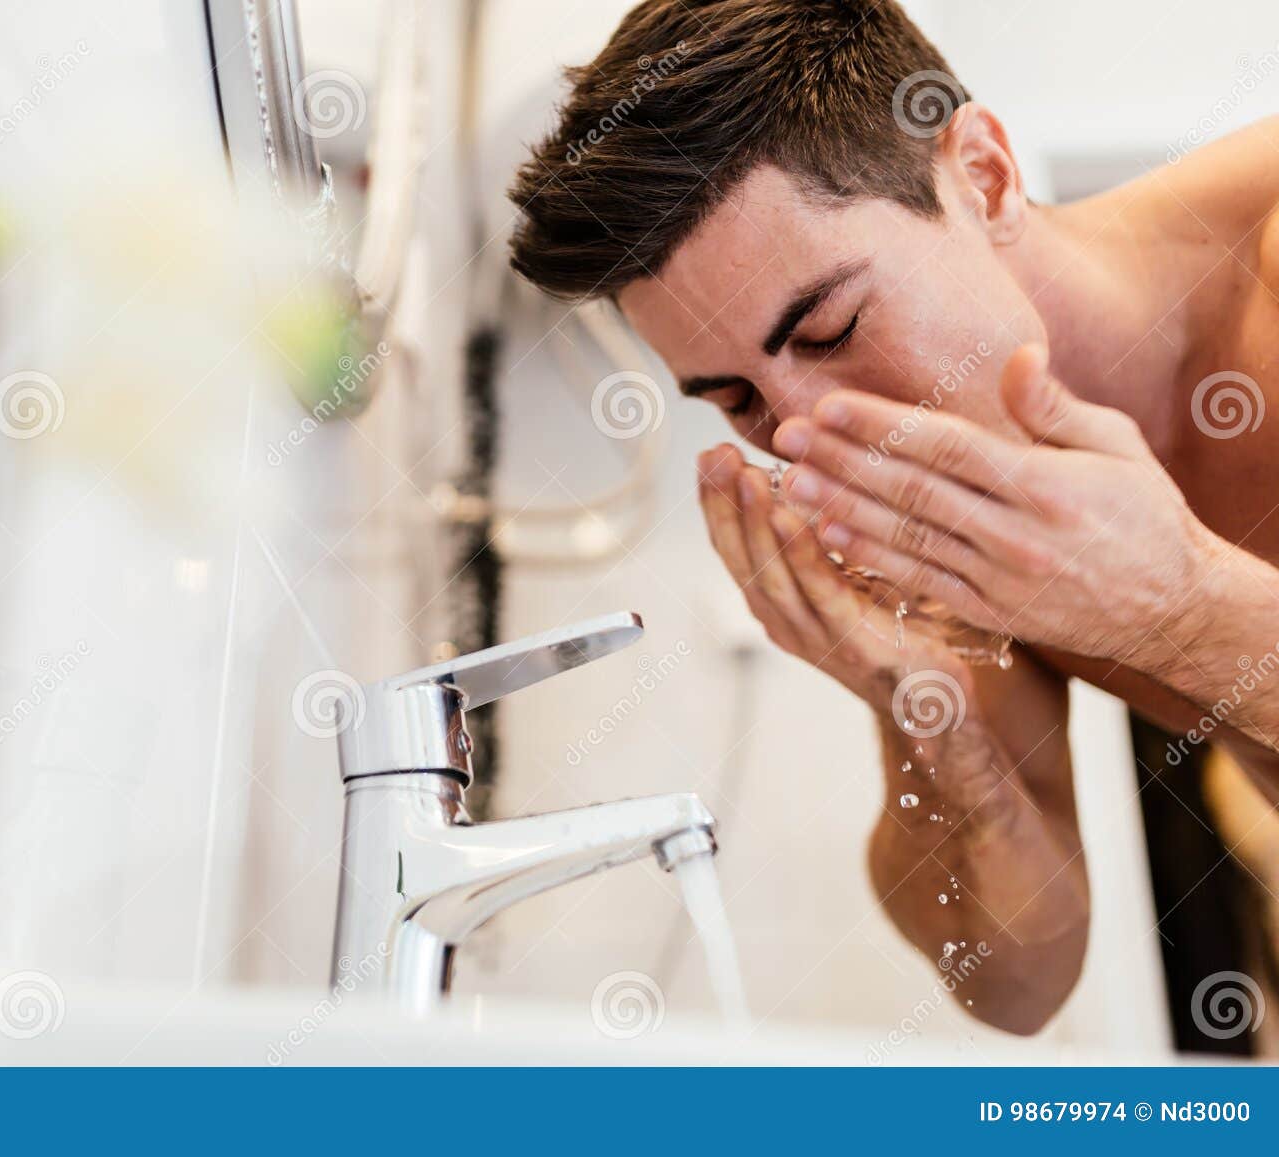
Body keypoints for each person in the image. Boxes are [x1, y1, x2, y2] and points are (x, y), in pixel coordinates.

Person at [507, 0, 1279, 1035]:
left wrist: (1179, 610)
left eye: (831, 328)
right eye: (735, 398)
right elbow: (1014, 981)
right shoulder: (967, 493)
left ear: (985, 178)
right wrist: (928, 721)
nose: (801, 435)